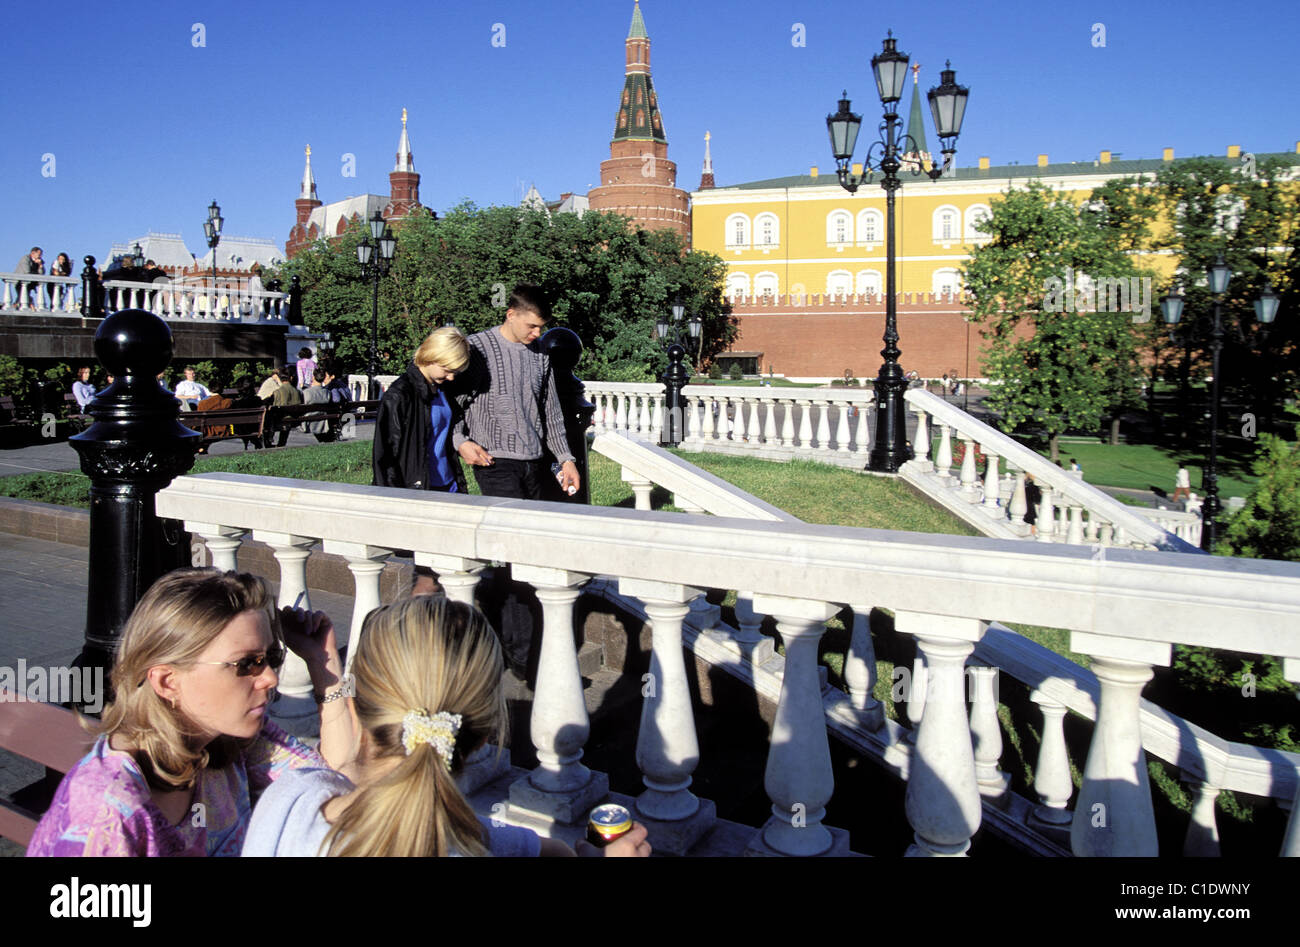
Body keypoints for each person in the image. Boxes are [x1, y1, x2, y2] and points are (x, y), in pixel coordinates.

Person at [242, 596, 650, 858]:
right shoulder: (473, 843)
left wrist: (325, 670)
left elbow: (341, 776)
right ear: (483, 737)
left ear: (360, 710)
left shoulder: (290, 800)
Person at [27, 568, 353, 856]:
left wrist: (322, 662)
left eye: (270, 657)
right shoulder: (106, 816)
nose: (269, 678)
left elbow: (334, 780)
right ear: (168, 682)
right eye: (247, 664)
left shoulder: (225, 742)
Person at [452, 285, 579, 499]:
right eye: (531, 326)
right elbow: (451, 403)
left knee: (532, 529)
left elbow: (551, 412)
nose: (537, 333)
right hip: (493, 461)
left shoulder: (541, 353)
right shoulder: (476, 349)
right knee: (509, 527)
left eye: (541, 327)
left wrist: (566, 459)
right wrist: (459, 441)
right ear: (510, 315)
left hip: (535, 460)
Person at [373, 326, 470, 493]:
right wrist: (391, 498)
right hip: (417, 487)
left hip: (448, 483)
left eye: (455, 372)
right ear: (431, 357)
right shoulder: (399, 395)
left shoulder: (443, 389)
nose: (451, 377)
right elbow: (385, 455)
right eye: (447, 370)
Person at [265, 367, 303, 447]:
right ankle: (281, 443)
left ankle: (268, 442)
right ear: (291, 378)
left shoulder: (277, 392)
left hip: (280, 420)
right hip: (295, 419)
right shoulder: (297, 392)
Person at [302, 367, 333, 441]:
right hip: (323, 422)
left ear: (313, 377)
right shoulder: (328, 393)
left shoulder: (306, 392)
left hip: (308, 421)